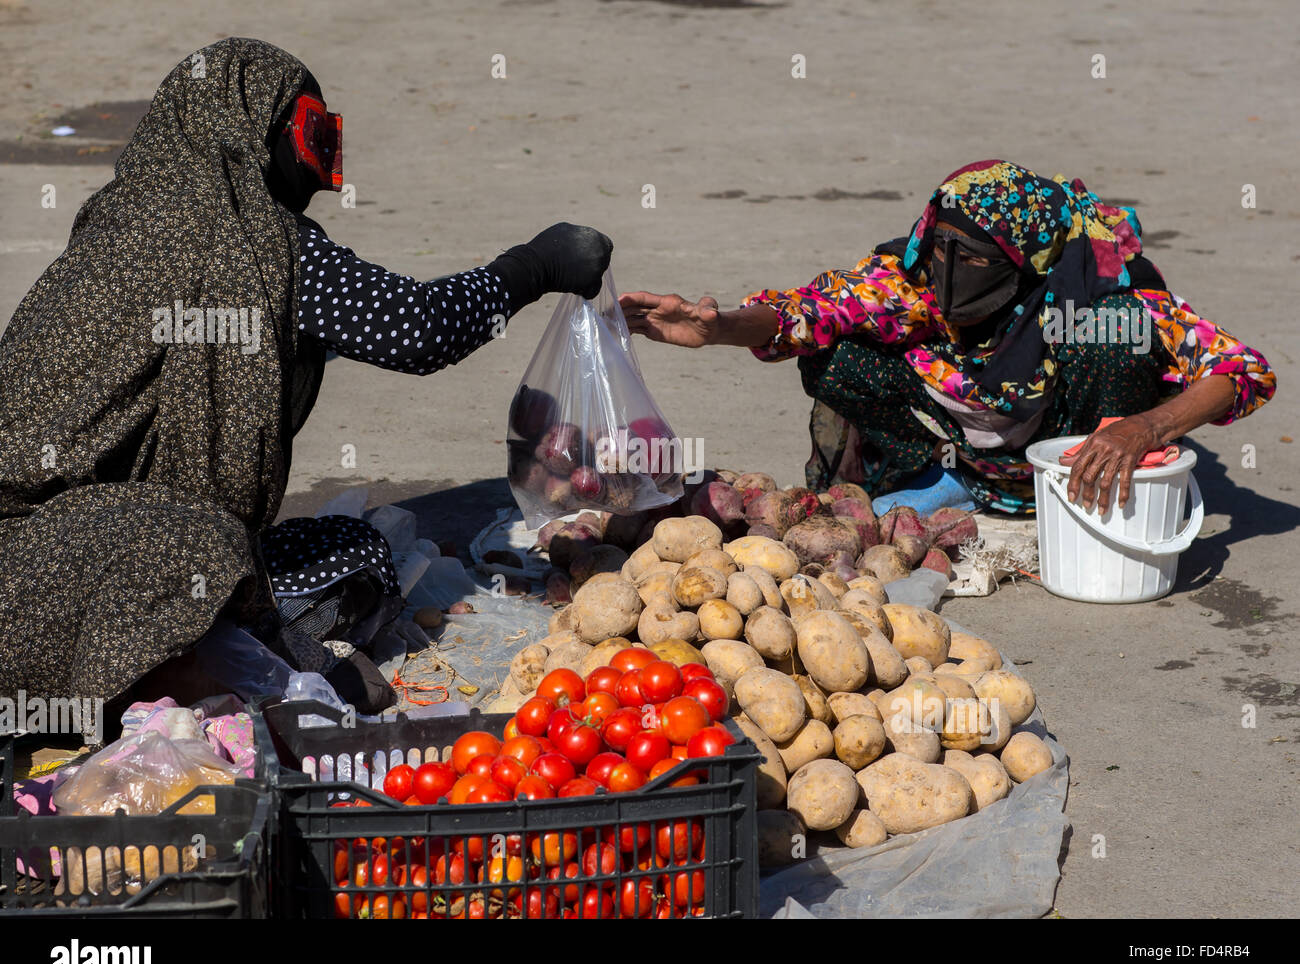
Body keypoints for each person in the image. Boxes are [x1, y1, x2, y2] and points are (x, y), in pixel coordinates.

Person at [0, 39, 611, 712]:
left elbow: (308, 332)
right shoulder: (239, 238)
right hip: (33, 566)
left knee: (351, 550)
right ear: (254, 129)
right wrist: (534, 266)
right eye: (312, 136)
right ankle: (247, 671)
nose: (317, 167)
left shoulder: (128, 216)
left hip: (94, 538)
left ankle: (226, 647)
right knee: (200, 550)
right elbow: (416, 328)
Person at [620, 160, 1275, 516]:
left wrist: (1145, 429)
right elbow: (811, 311)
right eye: (938, 248)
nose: (948, 273)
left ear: (1024, 264)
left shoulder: (1093, 294)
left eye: (975, 258)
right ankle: (949, 478)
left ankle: (1075, 509)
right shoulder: (915, 284)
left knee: (1115, 338)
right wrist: (718, 327)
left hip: (1075, 456)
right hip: (965, 443)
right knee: (836, 353)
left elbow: (1242, 368)